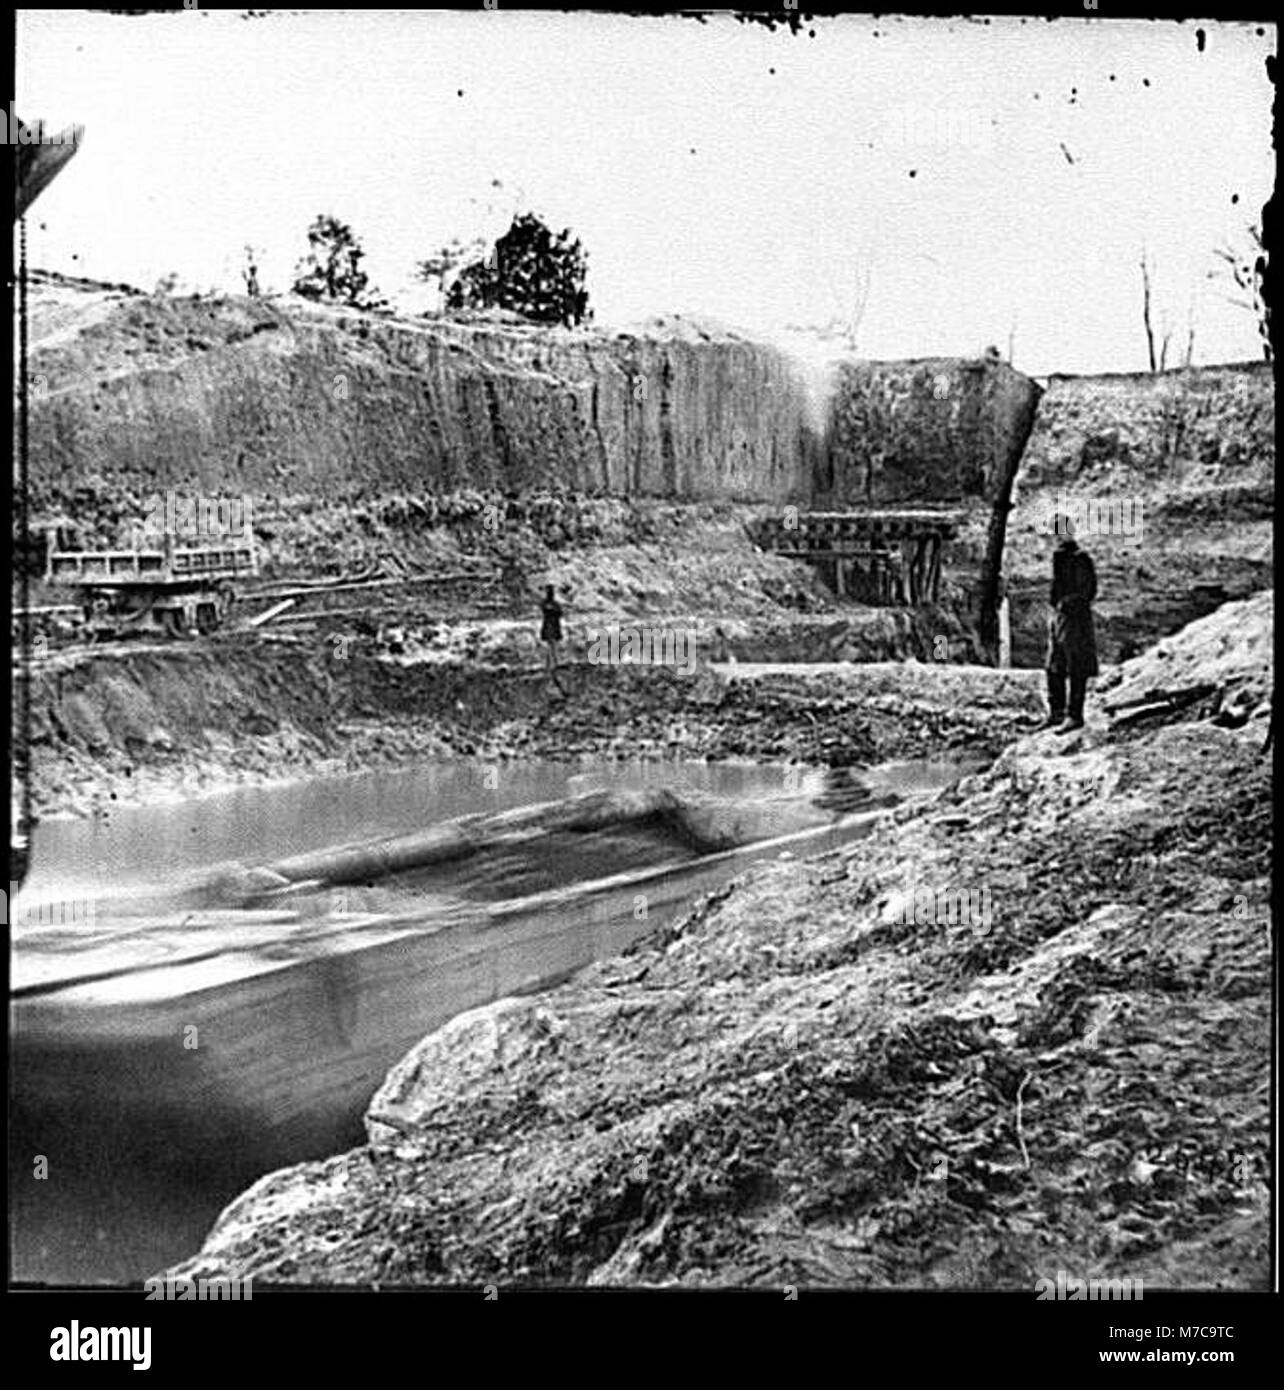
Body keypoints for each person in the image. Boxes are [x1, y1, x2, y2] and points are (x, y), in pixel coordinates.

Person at [1044, 514, 1098, 733]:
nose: (1056, 539)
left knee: (1076, 667)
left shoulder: (1080, 558)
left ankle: (1074, 716)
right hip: (1059, 618)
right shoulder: (1060, 557)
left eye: (1059, 534)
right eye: (1054, 535)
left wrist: (1067, 604)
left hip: (1076, 620)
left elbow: (1088, 591)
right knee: (1054, 666)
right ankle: (1056, 713)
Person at [539, 583, 564, 673]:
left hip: (551, 626)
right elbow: (559, 613)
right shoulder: (552, 604)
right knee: (551, 645)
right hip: (551, 626)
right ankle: (552, 663)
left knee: (551, 645)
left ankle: (550, 664)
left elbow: (559, 613)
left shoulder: (548, 604)